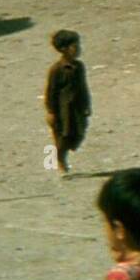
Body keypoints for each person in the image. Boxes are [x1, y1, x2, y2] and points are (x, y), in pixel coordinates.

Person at [44, 29, 91, 175]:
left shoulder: (79, 66)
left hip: (77, 108)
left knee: (77, 134)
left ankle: (59, 157)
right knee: (62, 136)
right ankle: (57, 161)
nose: (78, 49)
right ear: (64, 49)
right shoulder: (56, 70)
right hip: (63, 110)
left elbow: (84, 87)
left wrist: (87, 105)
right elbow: (50, 92)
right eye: (74, 46)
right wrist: (51, 111)